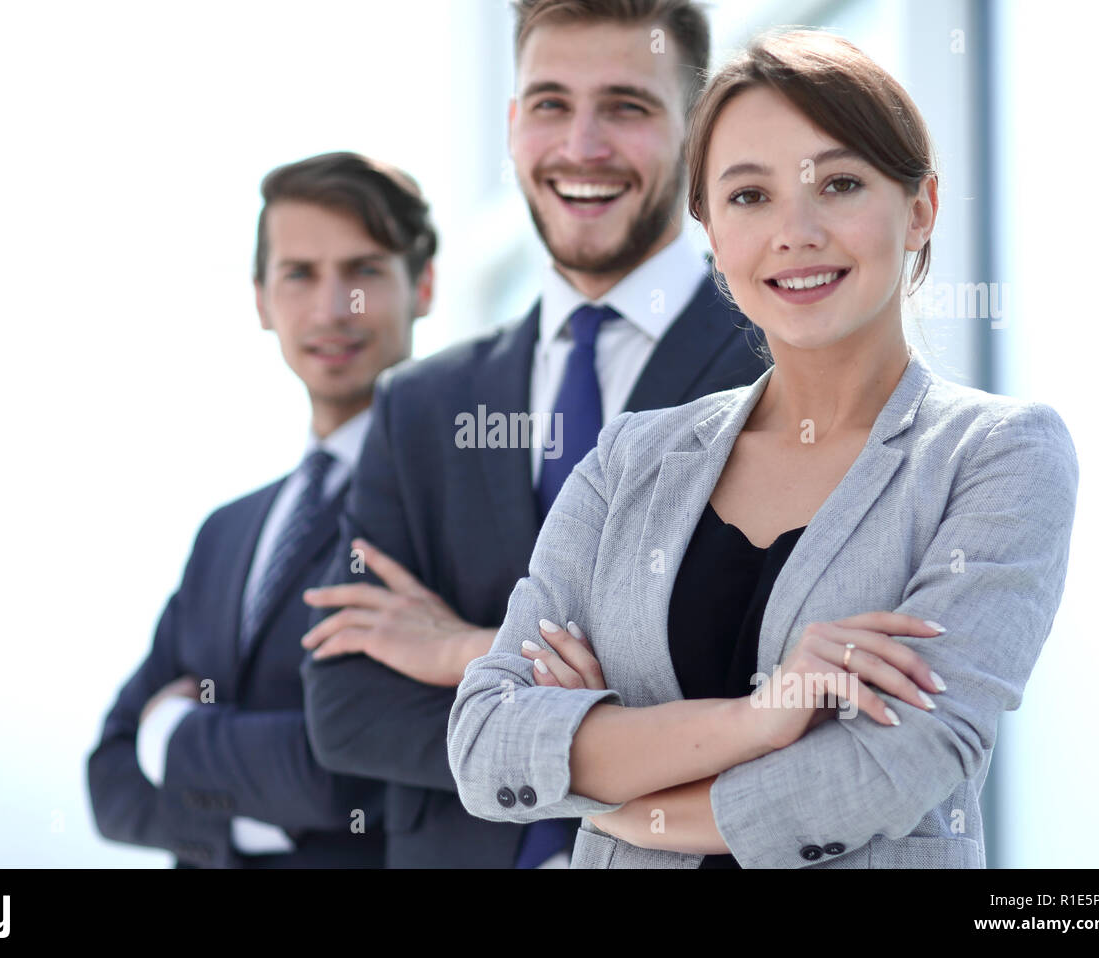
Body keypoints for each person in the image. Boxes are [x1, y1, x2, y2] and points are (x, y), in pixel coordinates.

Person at [448, 29, 1080, 868]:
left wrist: (621, 789)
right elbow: (487, 740)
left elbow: (901, 764)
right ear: (707, 229)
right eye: (749, 197)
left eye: (842, 184)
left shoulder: (998, 457)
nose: (797, 231)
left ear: (921, 208)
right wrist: (762, 717)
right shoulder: (630, 460)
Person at [298, 0, 770, 868]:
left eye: (626, 106)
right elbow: (347, 707)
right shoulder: (421, 406)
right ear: (514, 128)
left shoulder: (779, 370)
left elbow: (782, 693)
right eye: (551, 104)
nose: (581, 146)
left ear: (697, 133)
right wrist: (614, 721)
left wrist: (470, 653)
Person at [86, 152, 437, 867]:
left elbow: (351, 773)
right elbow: (109, 780)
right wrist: (247, 825)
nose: (333, 308)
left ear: (422, 285)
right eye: (299, 274)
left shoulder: (451, 507)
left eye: (364, 271)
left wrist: (173, 738)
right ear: (259, 299)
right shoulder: (227, 532)